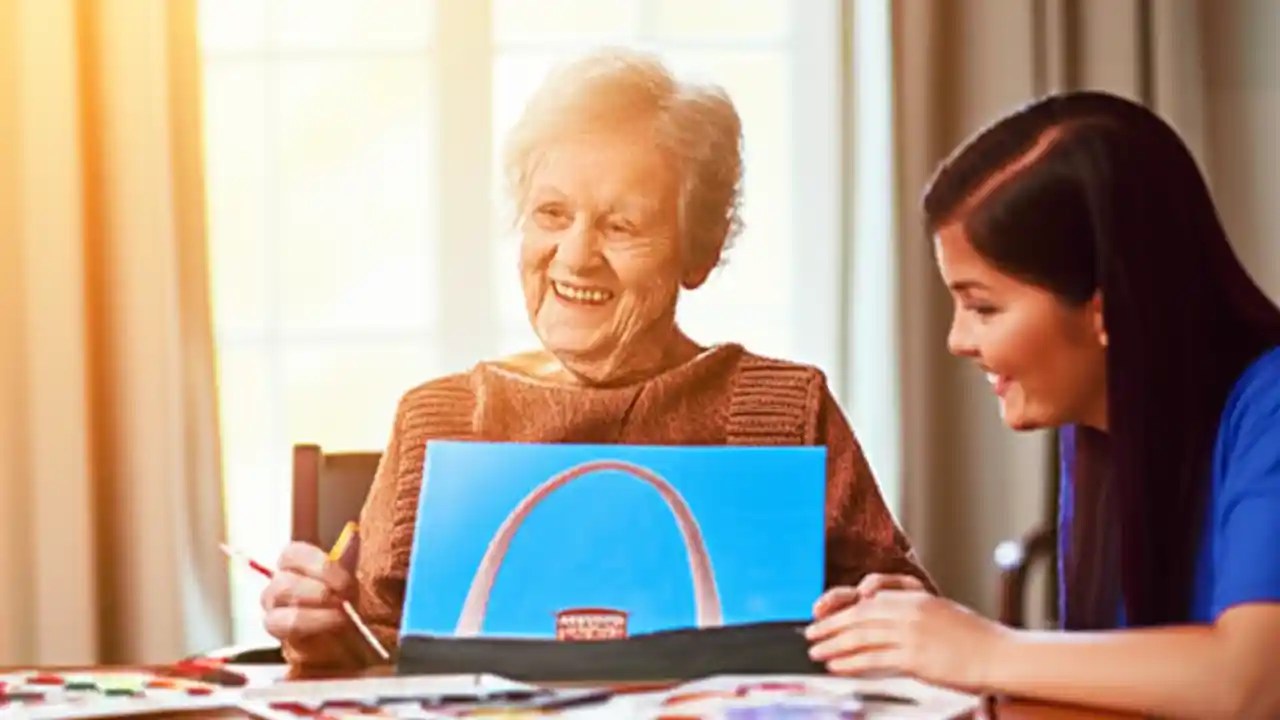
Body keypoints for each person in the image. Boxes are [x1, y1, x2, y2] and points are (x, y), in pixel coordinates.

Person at [262, 48, 931, 670]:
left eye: (621, 226)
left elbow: (910, 628)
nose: (576, 256)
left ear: (698, 248)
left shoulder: (784, 411)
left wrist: (888, 612)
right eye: (552, 213)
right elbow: (375, 658)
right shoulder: (438, 417)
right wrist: (324, 633)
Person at [806, 91, 1280, 718]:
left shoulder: (1268, 409)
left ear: (1104, 306)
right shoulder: (1100, 428)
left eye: (983, 307)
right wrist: (925, 641)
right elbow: (1139, 687)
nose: (957, 340)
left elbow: (1250, 684)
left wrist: (984, 650)